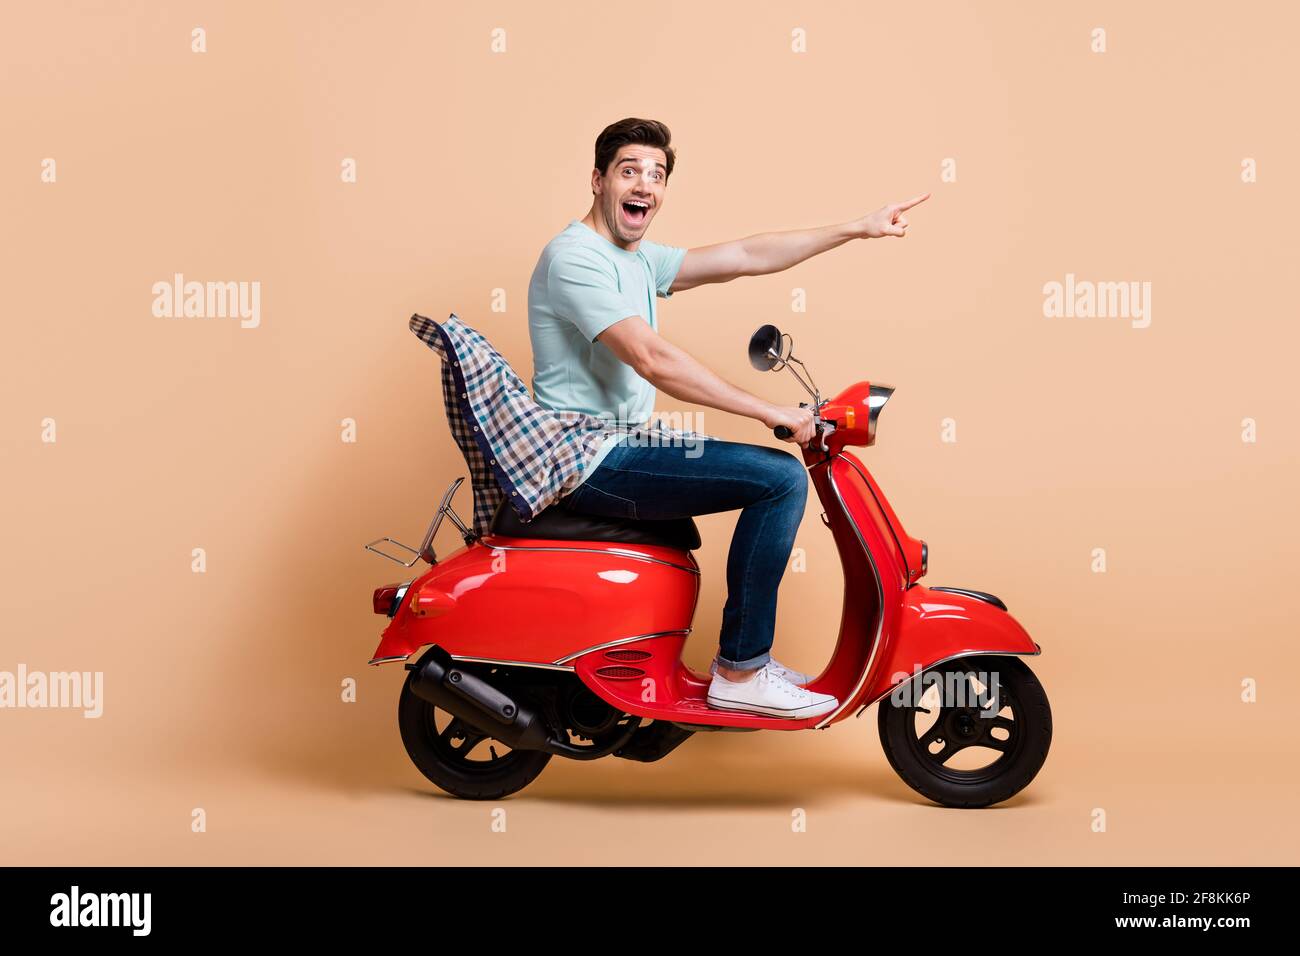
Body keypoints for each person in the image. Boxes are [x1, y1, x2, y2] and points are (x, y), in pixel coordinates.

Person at [527, 117, 928, 720]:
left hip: (622, 444)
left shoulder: (633, 258)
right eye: (629, 170)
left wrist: (856, 228)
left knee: (767, 472)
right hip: (587, 459)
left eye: (656, 175)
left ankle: (742, 666)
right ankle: (741, 671)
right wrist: (770, 412)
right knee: (780, 478)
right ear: (597, 180)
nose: (644, 185)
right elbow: (651, 358)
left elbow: (745, 254)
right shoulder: (575, 259)